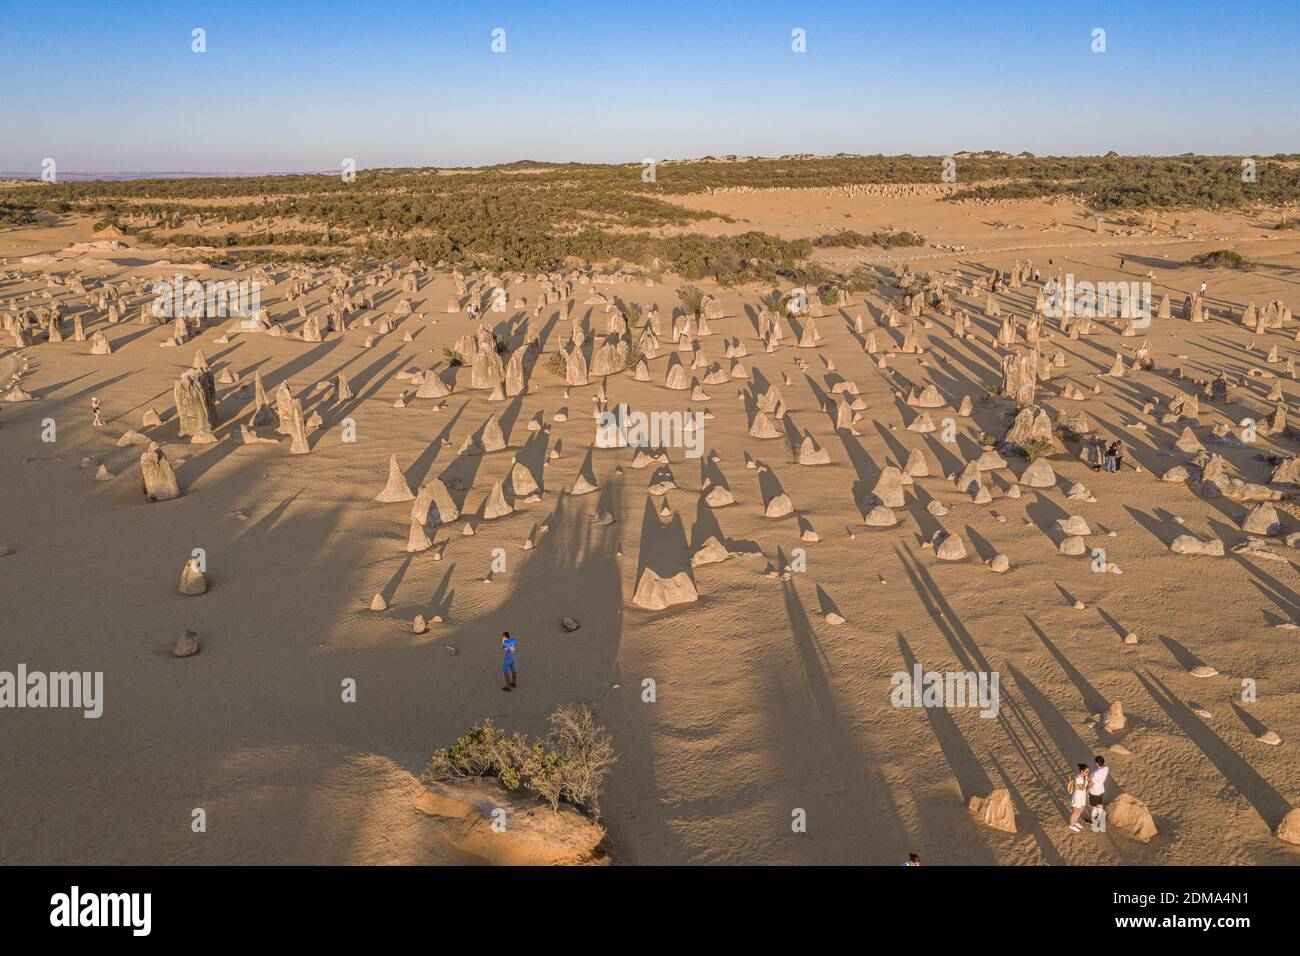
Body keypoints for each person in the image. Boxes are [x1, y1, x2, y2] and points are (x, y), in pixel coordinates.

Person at [1086, 755, 1109, 826]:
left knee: (1094, 806)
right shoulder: (1106, 767)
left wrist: (1087, 791)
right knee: (1100, 804)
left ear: (1096, 763)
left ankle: (1092, 819)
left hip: (1094, 791)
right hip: (1101, 789)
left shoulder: (1095, 773)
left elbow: (1091, 783)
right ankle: (1099, 817)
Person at [1068, 763, 1090, 831]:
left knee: (1081, 810)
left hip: (1082, 796)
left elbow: (1088, 783)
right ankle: (1071, 825)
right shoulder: (1078, 778)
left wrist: (1088, 780)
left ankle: (1075, 822)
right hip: (1077, 795)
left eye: (1088, 771)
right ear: (1082, 771)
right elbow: (1082, 788)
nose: (1087, 773)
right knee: (1075, 811)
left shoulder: (1085, 776)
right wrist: (1086, 780)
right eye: (1086, 771)